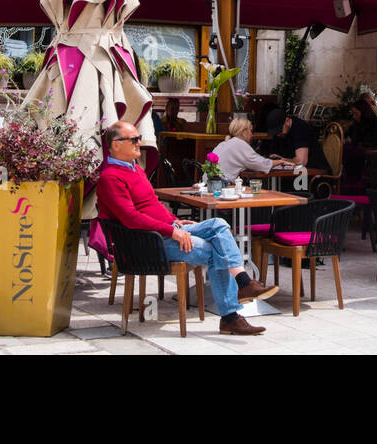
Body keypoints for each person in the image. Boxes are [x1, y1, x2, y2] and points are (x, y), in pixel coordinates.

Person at [96, 121, 279, 336]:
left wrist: (175, 221)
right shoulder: (110, 177)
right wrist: (171, 231)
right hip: (146, 244)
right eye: (134, 139)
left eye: (139, 138)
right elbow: (131, 218)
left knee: (219, 225)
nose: (139, 143)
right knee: (215, 250)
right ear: (115, 145)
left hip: (162, 232)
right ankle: (232, 314)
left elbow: (152, 205)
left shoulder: (135, 169)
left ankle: (243, 285)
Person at [211, 115, 291, 181]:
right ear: (243, 132)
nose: (252, 135)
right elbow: (262, 164)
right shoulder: (240, 145)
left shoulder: (223, 144)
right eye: (251, 131)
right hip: (220, 188)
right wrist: (281, 162)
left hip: (208, 185)